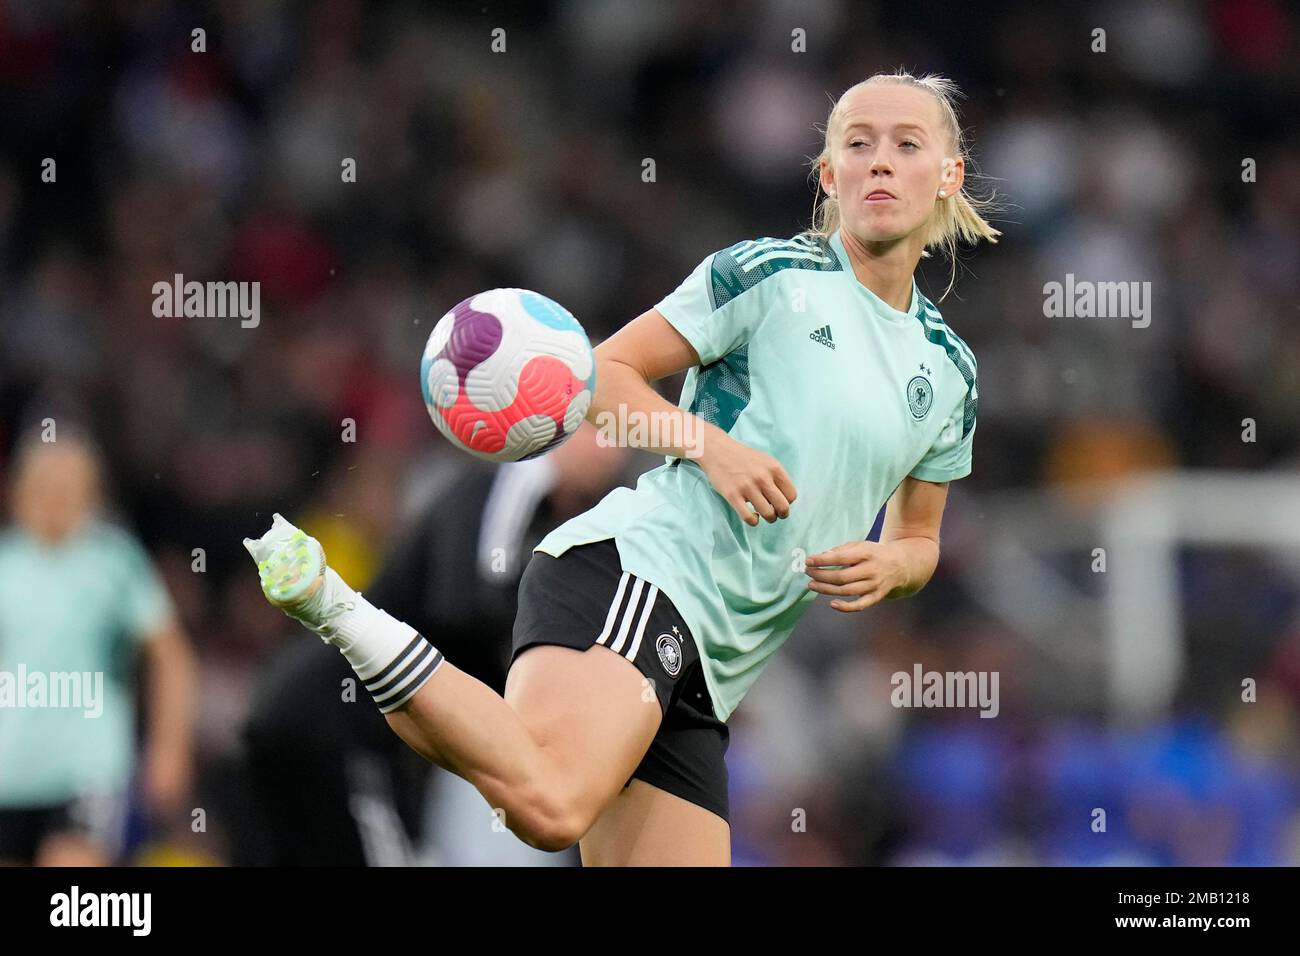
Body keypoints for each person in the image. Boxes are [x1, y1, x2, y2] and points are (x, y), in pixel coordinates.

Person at [244, 69, 998, 866]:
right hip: (644, 574)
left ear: (948, 175)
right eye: (858, 143)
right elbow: (598, 378)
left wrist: (893, 566)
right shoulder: (770, 277)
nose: (880, 161)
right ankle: (330, 599)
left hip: (715, 668)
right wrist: (711, 445)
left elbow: (921, 541)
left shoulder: (950, 371)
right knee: (551, 803)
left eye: (906, 144)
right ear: (827, 176)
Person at [237, 421, 630, 866]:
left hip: (311, 716)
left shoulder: (562, 522)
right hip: (335, 721)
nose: (609, 451)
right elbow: (458, 605)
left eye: (618, 436)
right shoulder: (495, 486)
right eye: (596, 429)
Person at [0, 430, 196, 865]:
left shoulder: (113, 562)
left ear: (91, 495)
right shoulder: (6, 564)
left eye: (68, 486)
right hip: (9, 772)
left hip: (85, 769)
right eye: (44, 485)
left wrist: (169, 747)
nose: (55, 497)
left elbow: (170, 657)